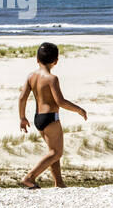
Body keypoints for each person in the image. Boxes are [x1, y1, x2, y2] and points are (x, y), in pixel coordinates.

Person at [18, 42, 87, 189]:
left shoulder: (31, 76)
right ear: (56, 61)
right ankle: (29, 177)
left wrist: (22, 118)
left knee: (52, 152)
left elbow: (22, 98)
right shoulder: (51, 78)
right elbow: (60, 101)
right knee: (56, 152)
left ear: (37, 59)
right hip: (50, 118)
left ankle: (59, 183)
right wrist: (78, 109)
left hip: (38, 118)